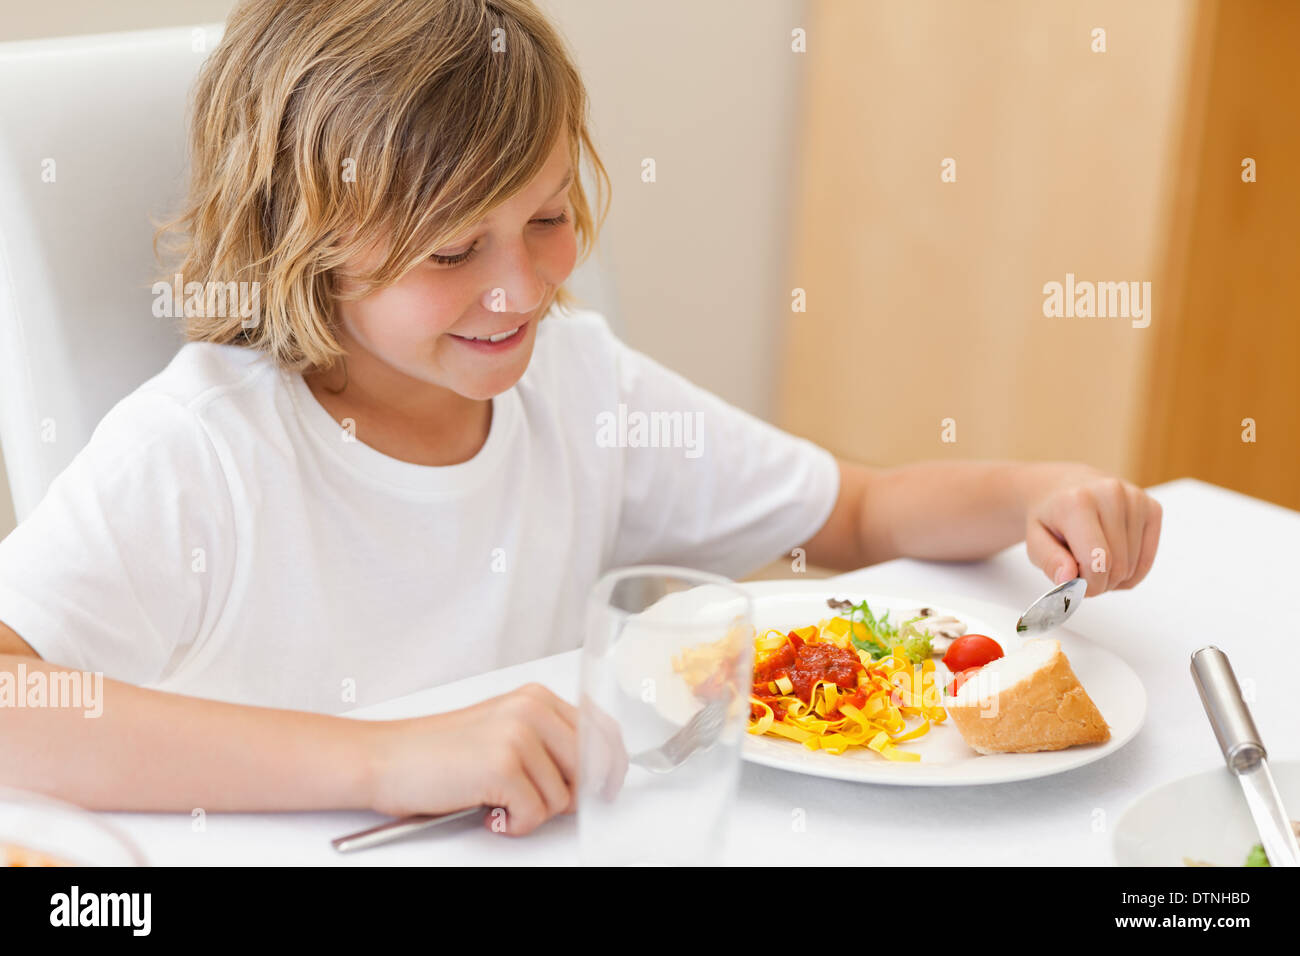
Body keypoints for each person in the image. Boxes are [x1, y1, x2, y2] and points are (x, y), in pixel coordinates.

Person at [0, 0, 1160, 836]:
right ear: (300, 246)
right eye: (452, 250)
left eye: (547, 218)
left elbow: (851, 511)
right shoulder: (203, 451)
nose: (520, 290)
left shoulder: (579, 386)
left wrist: (1030, 493)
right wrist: (389, 756)